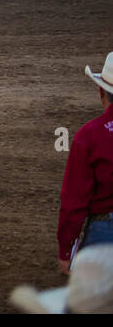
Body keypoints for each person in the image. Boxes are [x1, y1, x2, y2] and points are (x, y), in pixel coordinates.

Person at [57, 52, 113, 271]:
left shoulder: (89, 135)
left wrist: (66, 251)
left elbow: (73, 201)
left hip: (105, 230)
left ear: (101, 91)